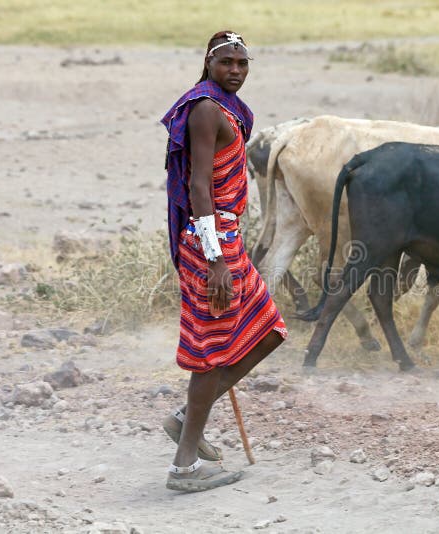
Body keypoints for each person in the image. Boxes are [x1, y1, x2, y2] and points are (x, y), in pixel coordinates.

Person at [160, 31, 287, 492]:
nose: (235, 70)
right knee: (210, 354)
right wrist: (215, 260)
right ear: (209, 63)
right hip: (209, 243)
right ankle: (184, 466)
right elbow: (198, 188)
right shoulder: (206, 109)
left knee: (268, 331)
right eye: (227, 62)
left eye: (242, 63)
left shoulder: (226, 107)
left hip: (225, 236)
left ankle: (186, 417)